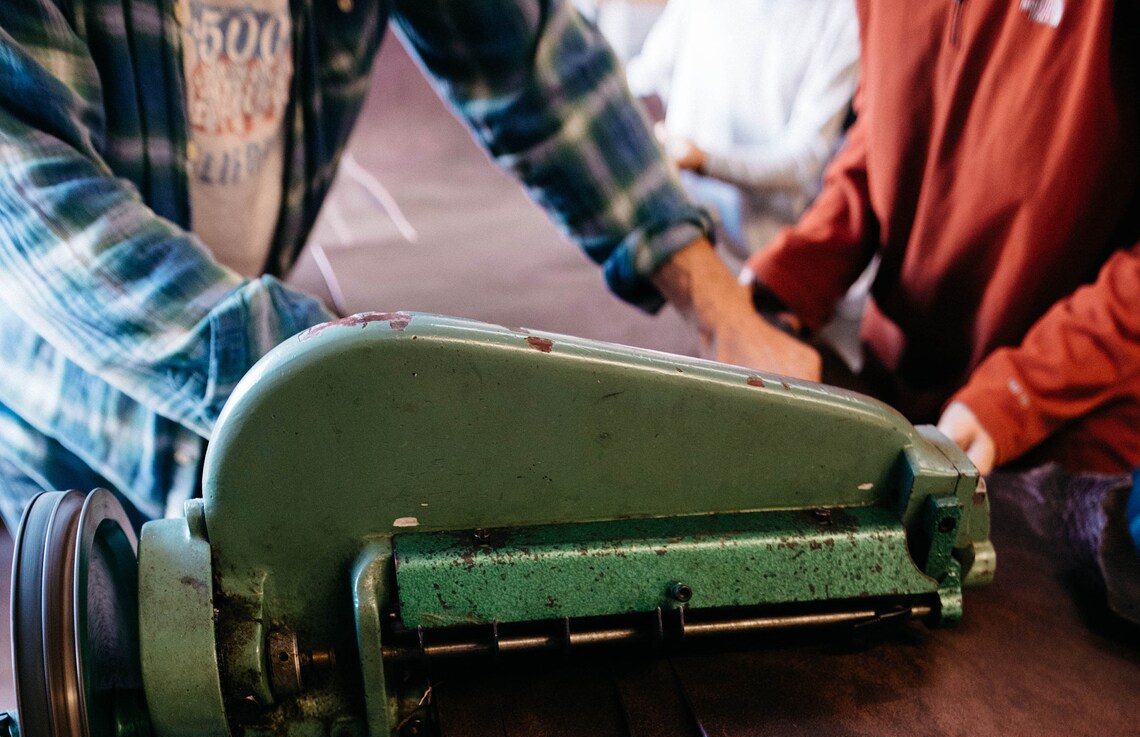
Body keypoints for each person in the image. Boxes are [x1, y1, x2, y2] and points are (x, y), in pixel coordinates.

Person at [0, 0, 818, 535]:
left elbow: (528, 62)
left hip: (266, 356)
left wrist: (720, 307)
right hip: (76, 396)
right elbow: (53, 213)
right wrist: (352, 386)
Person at [744, 0, 1140, 477]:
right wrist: (791, 275)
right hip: (897, 388)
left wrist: (1019, 392)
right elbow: (886, 125)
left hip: (1062, 431)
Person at [627, 0, 860, 255]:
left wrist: (704, 160)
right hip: (674, 226)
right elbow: (646, 77)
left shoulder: (841, 15)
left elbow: (805, 160)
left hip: (760, 247)